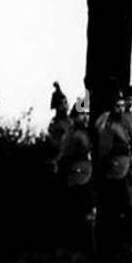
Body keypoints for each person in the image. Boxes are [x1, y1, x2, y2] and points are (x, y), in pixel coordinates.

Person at [94, 82, 132, 256]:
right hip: (115, 170)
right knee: (120, 208)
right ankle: (123, 245)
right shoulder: (107, 125)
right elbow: (104, 151)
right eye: (117, 105)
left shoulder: (126, 120)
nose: (121, 108)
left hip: (128, 166)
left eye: (122, 105)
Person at [55, 95, 96, 252]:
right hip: (77, 177)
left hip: (87, 174)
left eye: (86, 114)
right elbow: (65, 157)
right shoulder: (72, 135)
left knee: (88, 214)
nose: (84, 117)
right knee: (80, 214)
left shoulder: (85, 133)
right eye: (81, 114)